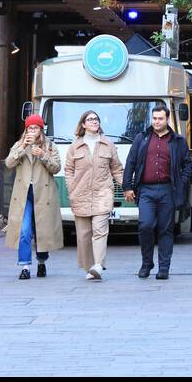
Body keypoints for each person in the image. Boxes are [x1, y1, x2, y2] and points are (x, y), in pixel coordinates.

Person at [122, 104, 192, 279]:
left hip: (168, 189)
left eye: (160, 118)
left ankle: (164, 268)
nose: (156, 122)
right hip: (146, 189)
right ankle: (147, 263)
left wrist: (182, 182)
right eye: (154, 118)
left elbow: (188, 164)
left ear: (167, 119)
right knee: (145, 225)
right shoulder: (142, 138)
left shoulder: (178, 141)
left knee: (166, 229)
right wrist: (127, 186)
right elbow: (130, 162)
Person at [64, 110, 124, 281]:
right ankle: (89, 268)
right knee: (83, 235)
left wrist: (126, 187)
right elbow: (68, 170)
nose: (94, 121)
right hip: (80, 195)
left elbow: (117, 168)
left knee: (100, 230)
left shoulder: (108, 144)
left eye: (96, 119)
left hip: (102, 193)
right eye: (90, 119)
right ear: (83, 124)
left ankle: (98, 264)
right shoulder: (75, 146)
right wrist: (71, 188)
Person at [4, 114, 63, 279]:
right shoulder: (19, 144)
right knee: (24, 230)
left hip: (43, 194)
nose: (32, 130)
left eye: (35, 128)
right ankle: (25, 266)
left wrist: (43, 155)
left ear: (40, 130)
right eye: (30, 128)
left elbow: (56, 168)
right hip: (24, 194)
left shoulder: (50, 146)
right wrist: (23, 147)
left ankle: (42, 262)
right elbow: (9, 163)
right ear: (26, 129)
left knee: (42, 230)